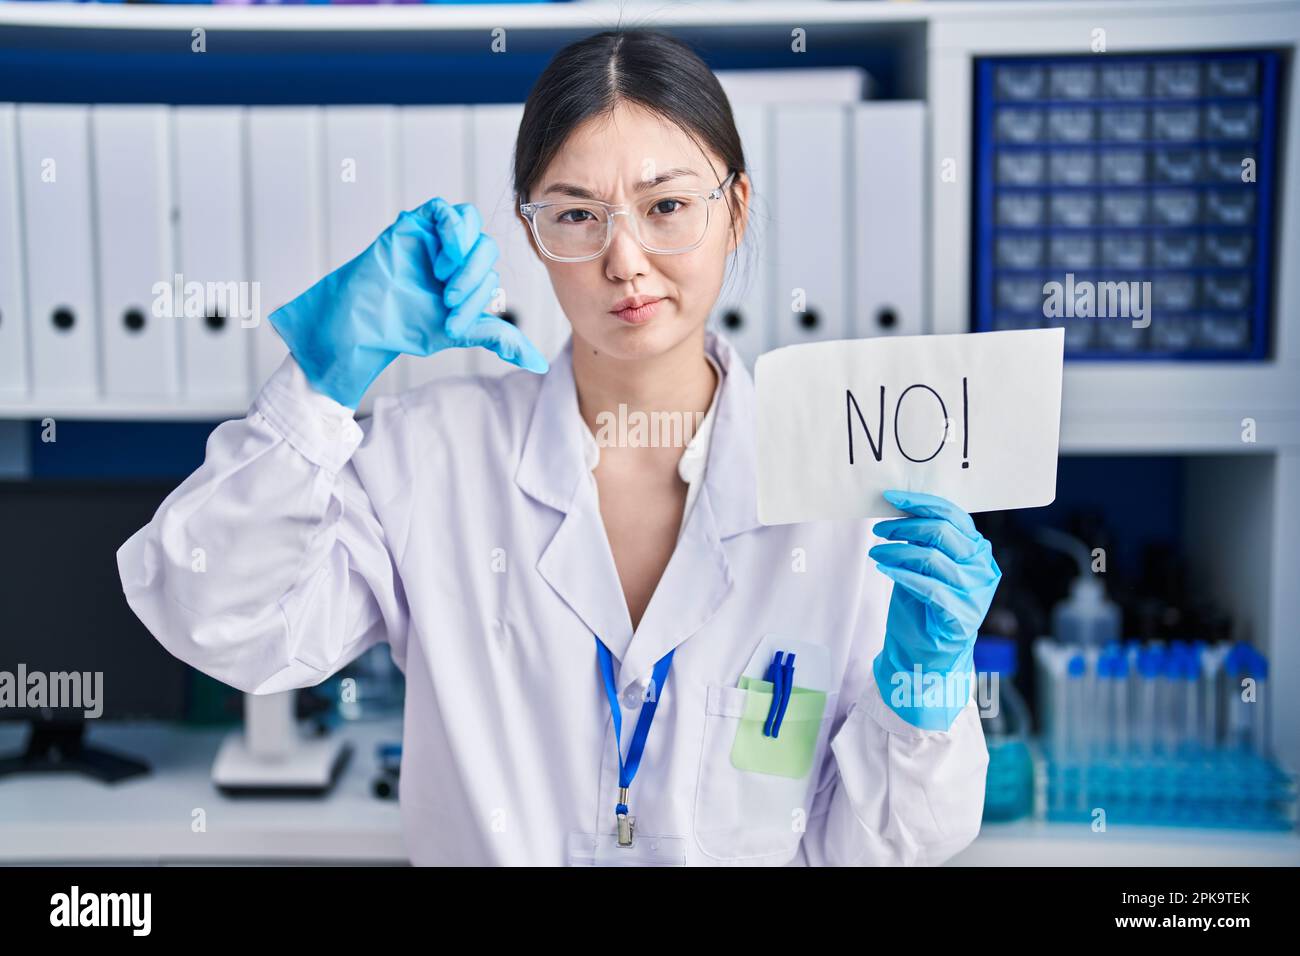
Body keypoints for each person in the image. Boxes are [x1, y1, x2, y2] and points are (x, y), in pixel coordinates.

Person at [117, 29, 1000, 866]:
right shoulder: (432, 460)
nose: (626, 259)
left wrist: (925, 688)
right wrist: (323, 379)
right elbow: (210, 612)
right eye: (578, 216)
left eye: (667, 207)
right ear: (532, 233)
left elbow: (879, 848)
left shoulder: (843, 482)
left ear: (734, 210)